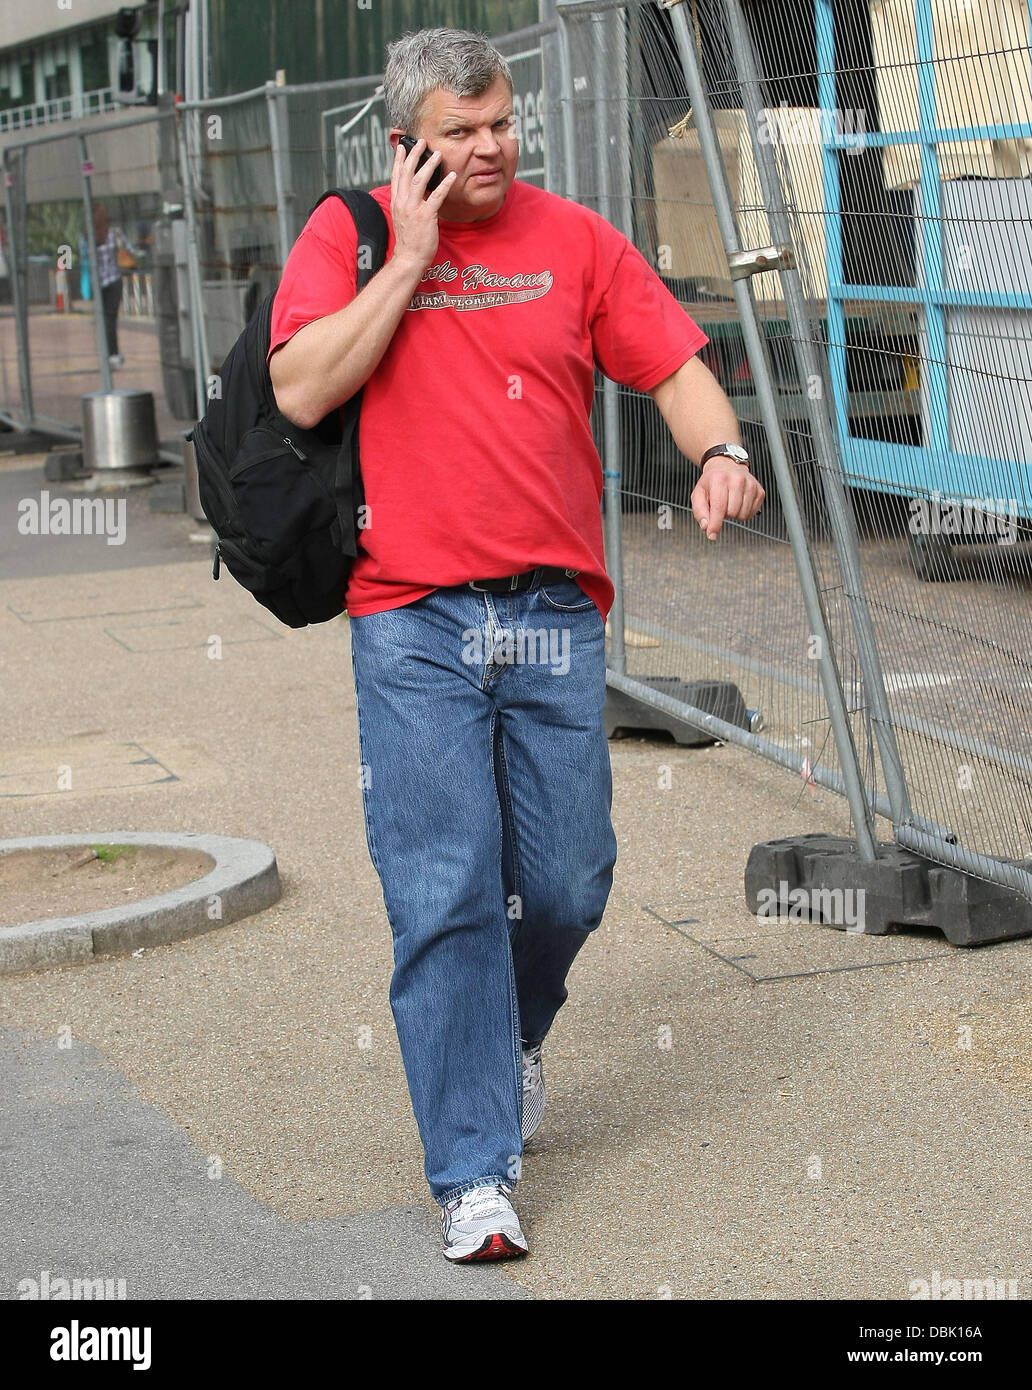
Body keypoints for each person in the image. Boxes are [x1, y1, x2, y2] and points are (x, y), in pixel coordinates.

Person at [269, 27, 764, 1263]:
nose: (490, 147)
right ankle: (473, 1173)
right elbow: (300, 387)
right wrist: (412, 260)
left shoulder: (573, 238)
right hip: (411, 615)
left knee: (569, 880)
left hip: (551, 614)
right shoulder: (352, 236)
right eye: (460, 132)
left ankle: (505, 1038)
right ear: (405, 145)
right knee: (443, 889)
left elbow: (676, 364)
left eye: (501, 123)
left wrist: (723, 452)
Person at [91, 204, 133, 370]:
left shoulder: (87, 235)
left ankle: (106, 355)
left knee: (103, 321)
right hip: (114, 280)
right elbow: (129, 250)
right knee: (111, 319)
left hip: (98, 283)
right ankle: (113, 355)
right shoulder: (115, 232)